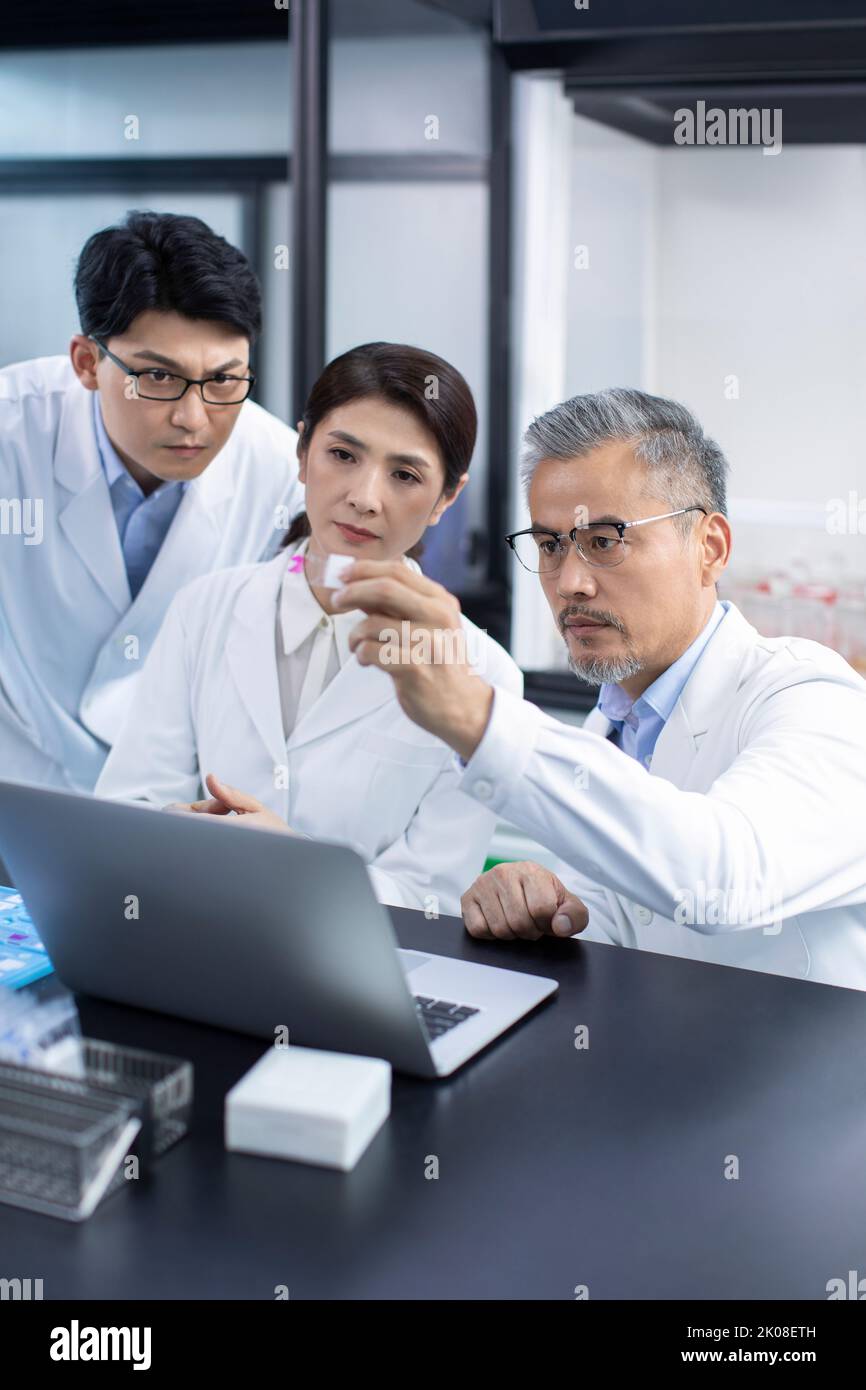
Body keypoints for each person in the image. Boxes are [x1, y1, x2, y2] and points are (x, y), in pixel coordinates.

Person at [325, 388, 866, 989]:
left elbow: (724, 880)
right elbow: (617, 923)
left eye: (605, 542)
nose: (570, 583)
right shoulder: (611, 725)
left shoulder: (814, 696)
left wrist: (476, 716)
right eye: (551, 545)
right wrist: (539, 906)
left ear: (709, 548)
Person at [96, 343, 522, 915]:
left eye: (404, 474)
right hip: (192, 934)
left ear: (448, 496)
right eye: (343, 455)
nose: (364, 498)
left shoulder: (485, 675)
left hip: (362, 974)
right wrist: (177, 830)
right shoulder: (204, 608)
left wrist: (290, 863)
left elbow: (433, 897)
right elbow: (129, 805)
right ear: (301, 454)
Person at [0, 210, 304, 792]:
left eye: (224, 380)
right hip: (14, 784)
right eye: (158, 378)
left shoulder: (281, 475)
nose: (194, 419)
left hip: (166, 804)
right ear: (87, 363)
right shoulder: (12, 434)